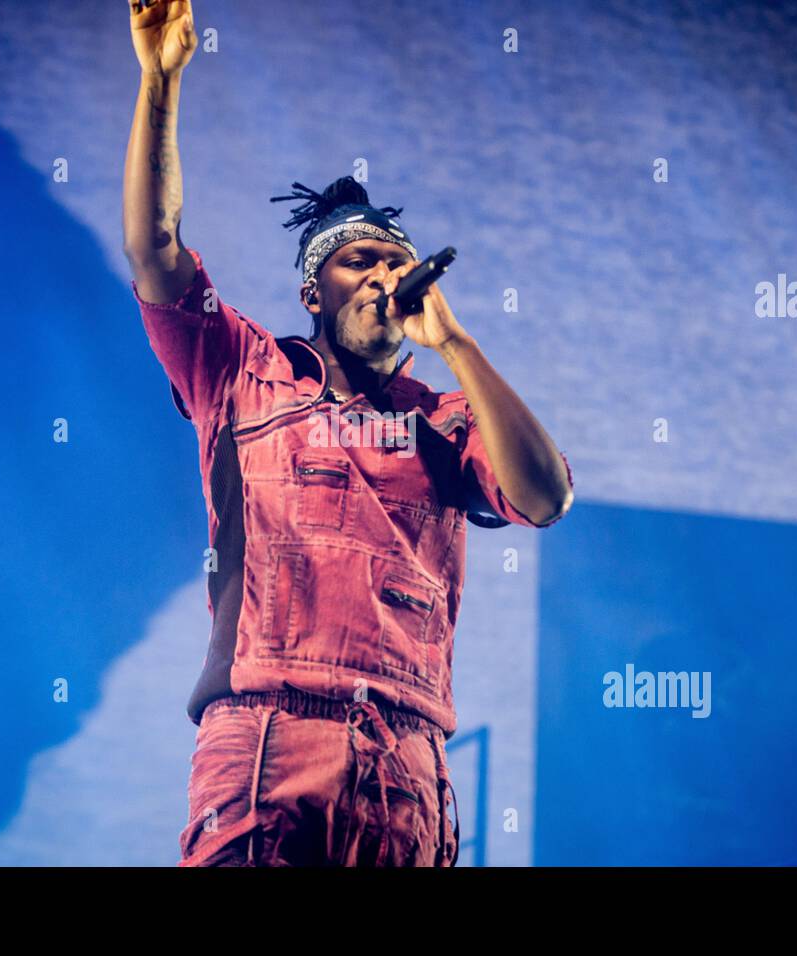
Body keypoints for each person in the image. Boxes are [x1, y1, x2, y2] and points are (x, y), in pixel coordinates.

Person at [123, 0, 574, 866]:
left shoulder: (441, 419)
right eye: (358, 262)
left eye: (395, 263)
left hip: (406, 757)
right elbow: (155, 248)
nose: (382, 277)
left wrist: (457, 344)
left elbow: (545, 496)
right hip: (268, 734)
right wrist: (161, 81)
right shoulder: (244, 369)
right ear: (313, 291)